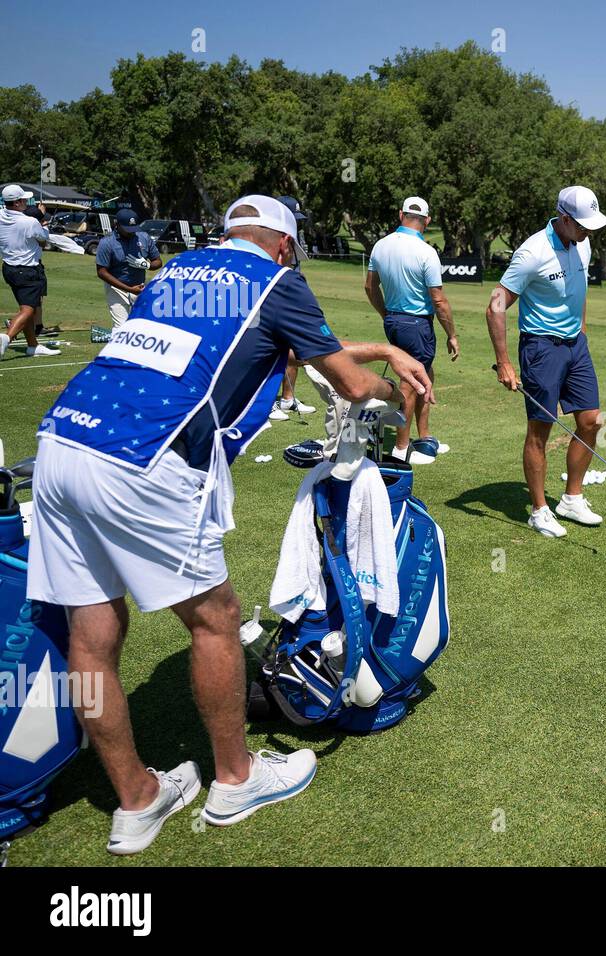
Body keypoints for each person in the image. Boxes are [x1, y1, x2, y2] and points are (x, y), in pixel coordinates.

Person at [25, 195, 431, 855]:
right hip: (146, 456)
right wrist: (397, 388)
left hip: (63, 444)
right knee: (216, 621)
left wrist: (381, 343)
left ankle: (137, 800)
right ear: (283, 246)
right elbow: (354, 385)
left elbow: (285, 345)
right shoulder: (277, 280)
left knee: (92, 635)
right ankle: (237, 779)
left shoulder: (182, 269)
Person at [487, 185, 606, 538]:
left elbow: (580, 289)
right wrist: (504, 362)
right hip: (541, 348)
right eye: (583, 224)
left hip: (575, 346)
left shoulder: (582, 242)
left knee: (590, 421)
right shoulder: (532, 252)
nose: (589, 231)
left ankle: (572, 498)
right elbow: (495, 306)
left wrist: (582, 330)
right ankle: (538, 510)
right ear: (564, 218)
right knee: (541, 430)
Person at [365, 197, 458, 464]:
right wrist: (451, 334)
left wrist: (386, 315)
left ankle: (424, 438)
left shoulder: (380, 245)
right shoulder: (426, 251)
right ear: (427, 221)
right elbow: (438, 300)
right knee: (411, 383)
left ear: (400, 214)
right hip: (417, 325)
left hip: (394, 322)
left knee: (426, 374)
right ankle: (401, 449)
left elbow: (370, 287)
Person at [268, 195, 317, 421]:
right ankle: (267, 403)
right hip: (273, 301)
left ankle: (288, 399)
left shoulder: (292, 238)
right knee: (271, 352)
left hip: (290, 299)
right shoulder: (269, 241)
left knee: (292, 348)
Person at [0, 184, 59, 358]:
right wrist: (42, 220)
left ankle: (32, 345)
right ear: (17, 202)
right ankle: (6, 338)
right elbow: (43, 241)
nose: (27, 202)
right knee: (28, 311)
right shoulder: (30, 221)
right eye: (24, 199)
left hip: (9, 269)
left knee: (26, 308)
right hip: (28, 270)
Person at [95, 208, 162, 328]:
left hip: (140, 287)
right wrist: (129, 289)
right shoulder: (107, 243)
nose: (131, 232)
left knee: (143, 325)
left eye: (133, 228)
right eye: (127, 229)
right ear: (117, 225)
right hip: (116, 288)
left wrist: (147, 265)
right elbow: (101, 272)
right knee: (121, 326)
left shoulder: (143, 237)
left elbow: (158, 261)